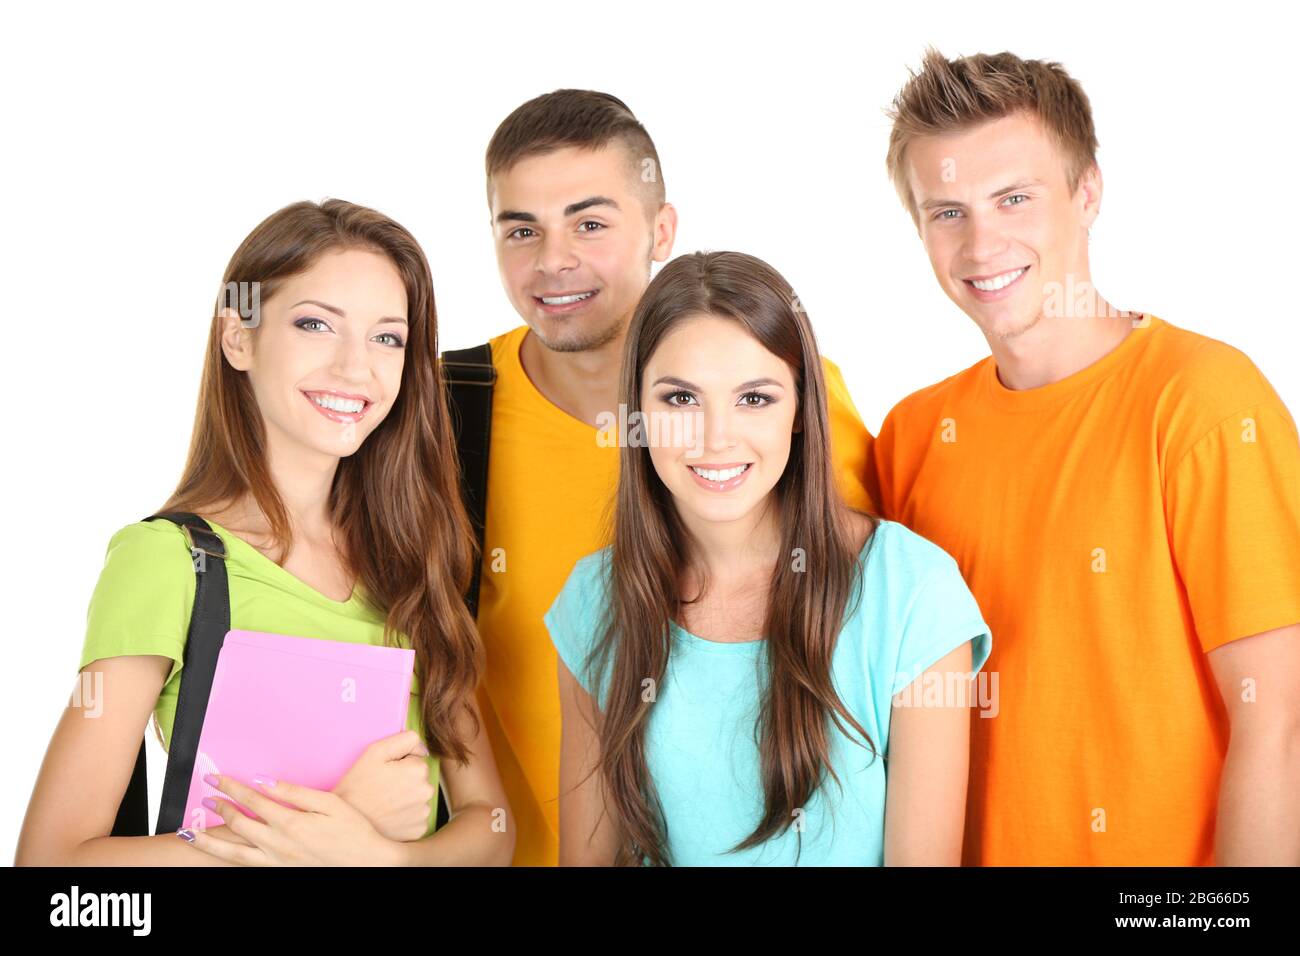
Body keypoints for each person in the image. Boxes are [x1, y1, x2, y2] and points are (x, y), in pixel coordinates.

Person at [874, 48, 1300, 865]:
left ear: (1088, 193)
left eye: (1014, 199)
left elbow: (1277, 724)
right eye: (946, 211)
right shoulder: (914, 435)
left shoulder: (1203, 401)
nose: (980, 243)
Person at [16, 199, 513, 865]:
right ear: (239, 338)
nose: (355, 368)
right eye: (315, 325)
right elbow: (51, 865)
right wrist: (330, 823)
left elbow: (492, 825)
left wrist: (378, 855)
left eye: (387, 337)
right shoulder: (168, 561)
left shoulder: (411, 562)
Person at [474, 89, 881, 865]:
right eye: (520, 229)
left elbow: (869, 638)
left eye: (590, 223)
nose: (553, 260)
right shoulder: (443, 409)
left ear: (662, 229)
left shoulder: (798, 402)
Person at [547, 250, 991, 865]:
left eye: (754, 398)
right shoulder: (593, 600)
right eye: (680, 400)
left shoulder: (911, 592)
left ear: (802, 412)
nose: (715, 437)